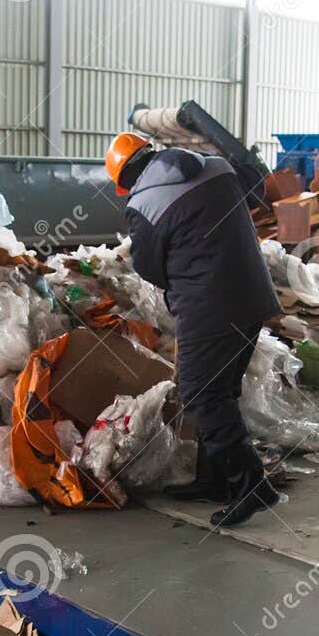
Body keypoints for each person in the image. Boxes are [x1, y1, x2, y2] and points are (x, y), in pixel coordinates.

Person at [106, 132, 282, 528]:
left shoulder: (143, 204)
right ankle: (214, 480)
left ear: (124, 178)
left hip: (210, 305)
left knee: (201, 395)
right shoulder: (217, 167)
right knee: (218, 391)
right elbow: (254, 196)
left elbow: (149, 267)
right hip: (253, 296)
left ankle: (252, 484)